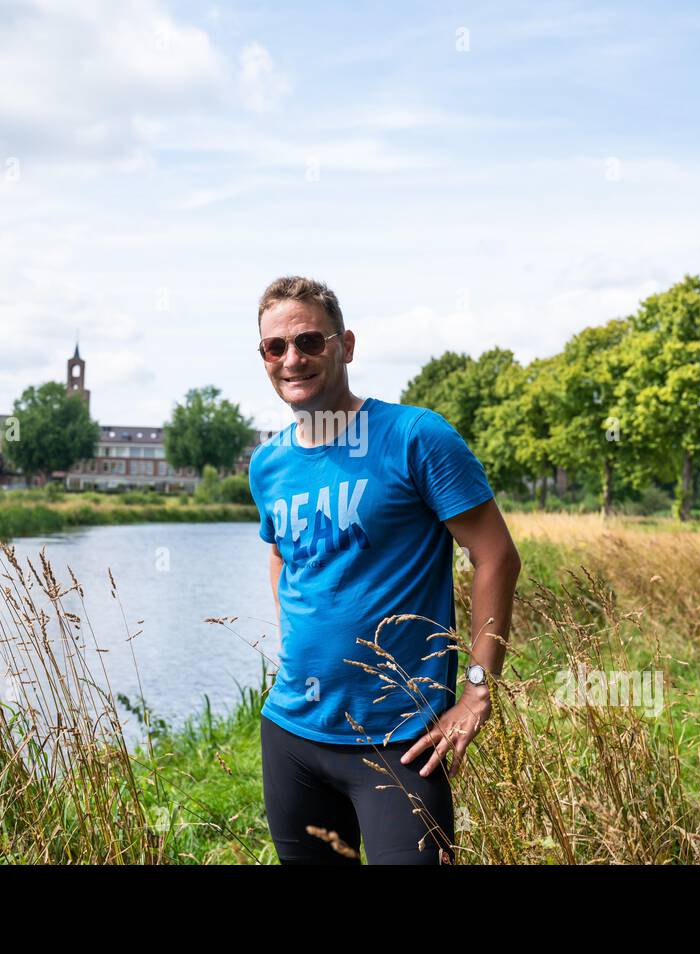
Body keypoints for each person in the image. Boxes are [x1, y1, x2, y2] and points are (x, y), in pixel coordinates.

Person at [247, 275, 522, 865]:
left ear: (345, 345)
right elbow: (279, 552)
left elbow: (495, 555)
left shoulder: (414, 437)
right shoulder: (268, 464)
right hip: (292, 735)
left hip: (400, 742)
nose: (292, 359)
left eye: (309, 341)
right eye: (276, 347)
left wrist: (477, 690)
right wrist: (299, 638)